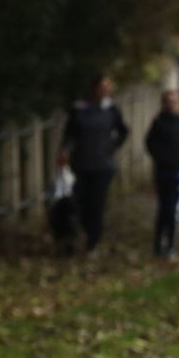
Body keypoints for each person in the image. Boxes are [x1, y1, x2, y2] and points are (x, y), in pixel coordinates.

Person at [57, 74, 129, 256]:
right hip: (80, 164)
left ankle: (92, 241)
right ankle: (75, 235)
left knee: (96, 204)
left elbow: (123, 131)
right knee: (78, 203)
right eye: (102, 86)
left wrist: (114, 145)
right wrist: (65, 150)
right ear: (94, 88)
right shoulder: (79, 110)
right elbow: (69, 134)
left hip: (103, 166)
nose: (105, 90)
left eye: (108, 86)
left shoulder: (112, 110)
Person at [143, 90, 179, 259]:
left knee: (173, 210)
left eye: (174, 102)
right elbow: (149, 143)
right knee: (163, 209)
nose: (171, 105)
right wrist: (160, 156)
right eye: (168, 102)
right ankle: (158, 244)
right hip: (162, 172)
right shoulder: (158, 123)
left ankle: (171, 245)